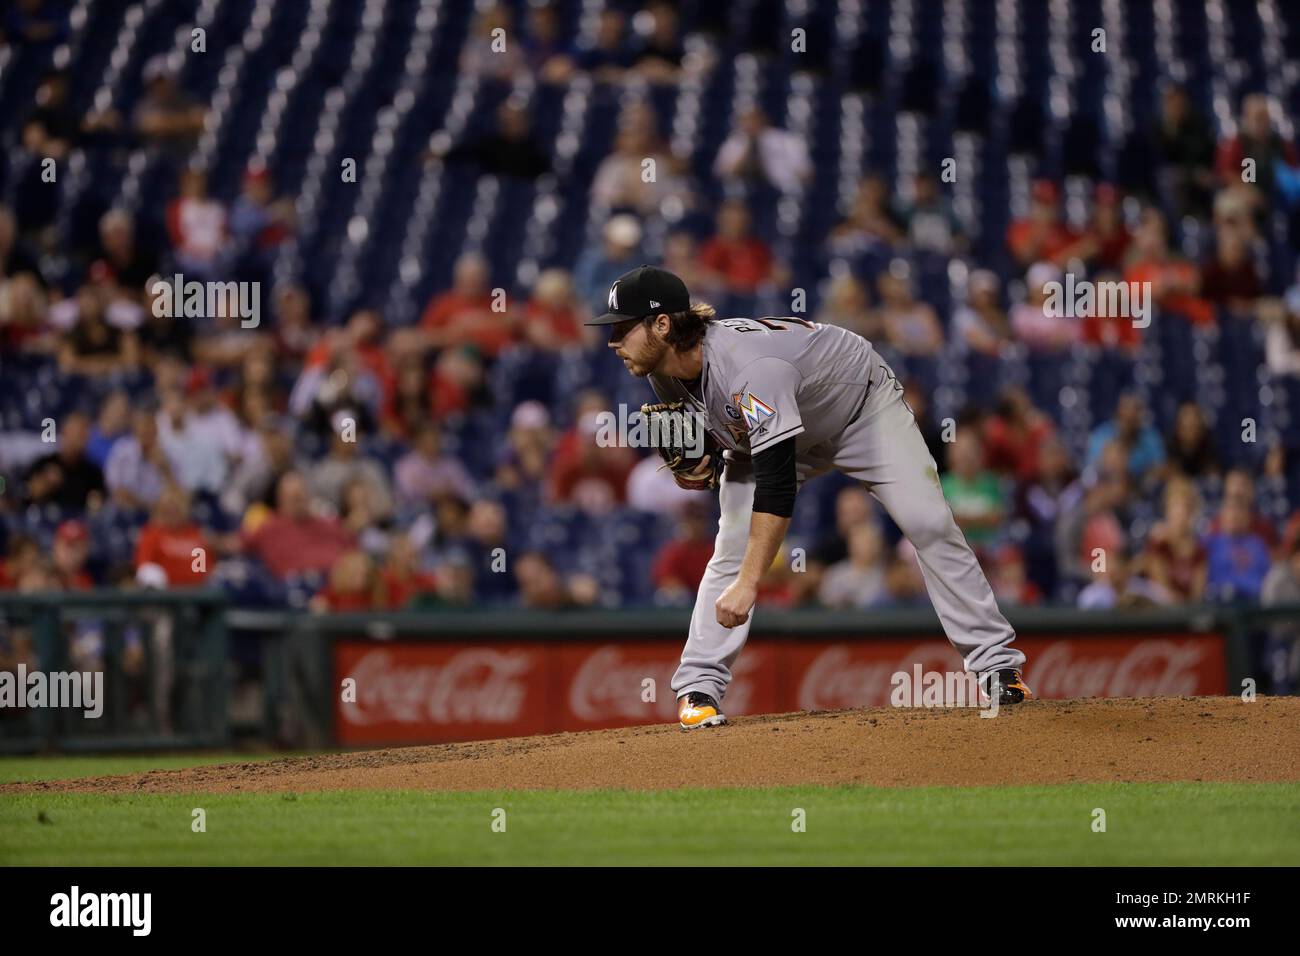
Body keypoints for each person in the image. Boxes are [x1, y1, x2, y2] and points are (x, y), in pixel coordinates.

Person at [588, 265, 1030, 729]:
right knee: (731, 544)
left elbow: (777, 486)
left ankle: (997, 665)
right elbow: (733, 433)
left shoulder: (750, 368)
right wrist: (708, 463)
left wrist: (750, 583)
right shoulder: (662, 370)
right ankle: (698, 687)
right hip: (779, 422)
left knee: (929, 524)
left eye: (622, 328)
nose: (613, 341)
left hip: (860, 411)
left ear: (662, 325)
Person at [712, 106, 812, 195]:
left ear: (763, 121)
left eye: (753, 121)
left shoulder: (785, 141)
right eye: (746, 122)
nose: (750, 126)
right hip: (743, 194)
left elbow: (806, 174)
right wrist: (748, 148)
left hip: (779, 192)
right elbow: (720, 173)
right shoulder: (734, 143)